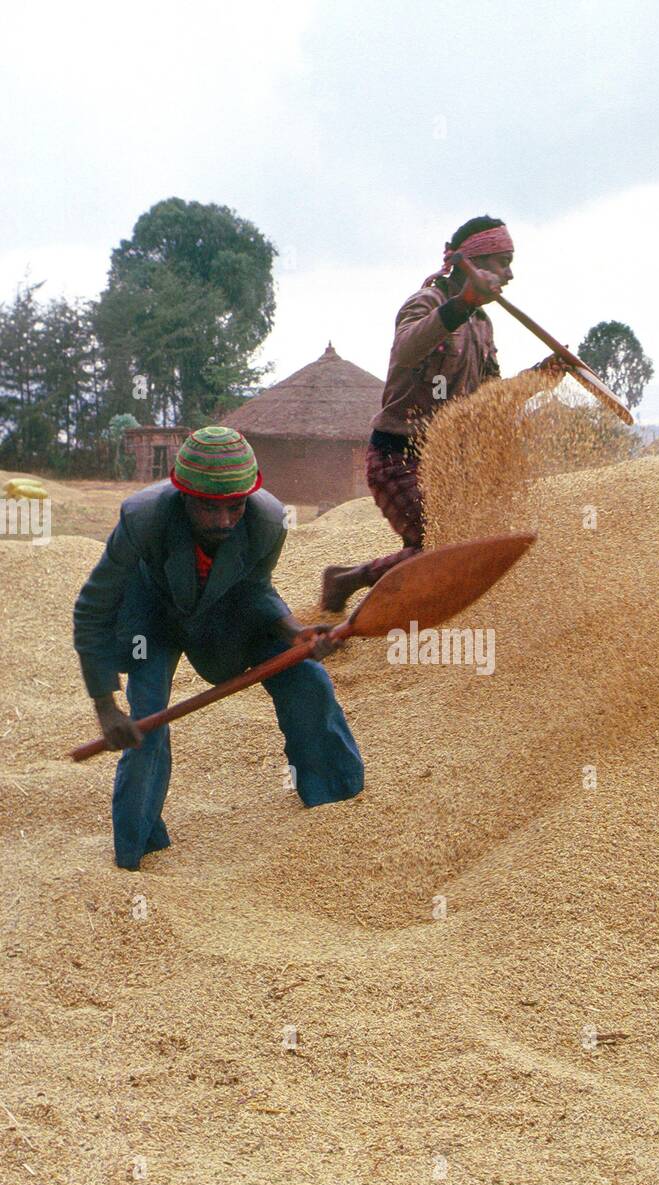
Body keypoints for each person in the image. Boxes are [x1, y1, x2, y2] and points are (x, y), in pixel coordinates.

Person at [73, 425, 364, 870]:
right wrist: (105, 707)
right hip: (150, 615)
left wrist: (293, 632)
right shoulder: (142, 519)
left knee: (307, 677)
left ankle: (334, 796)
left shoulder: (266, 521)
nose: (226, 521)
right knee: (145, 721)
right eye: (211, 509)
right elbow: (92, 609)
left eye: (235, 507)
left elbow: (255, 588)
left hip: (224, 606)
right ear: (184, 496)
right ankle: (136, 849)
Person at [320, 214, 566, 611]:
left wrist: (540, 378)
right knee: (435, 548)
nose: (510, 274)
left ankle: (386, 594)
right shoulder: (427, 303)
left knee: (463, 546)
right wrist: (465, 302)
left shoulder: (483, 325)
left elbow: (489, 400)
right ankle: (345, 580)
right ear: (476, 263)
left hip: (448, 463)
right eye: (503, 262)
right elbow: (407, 351)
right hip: (398, 456)